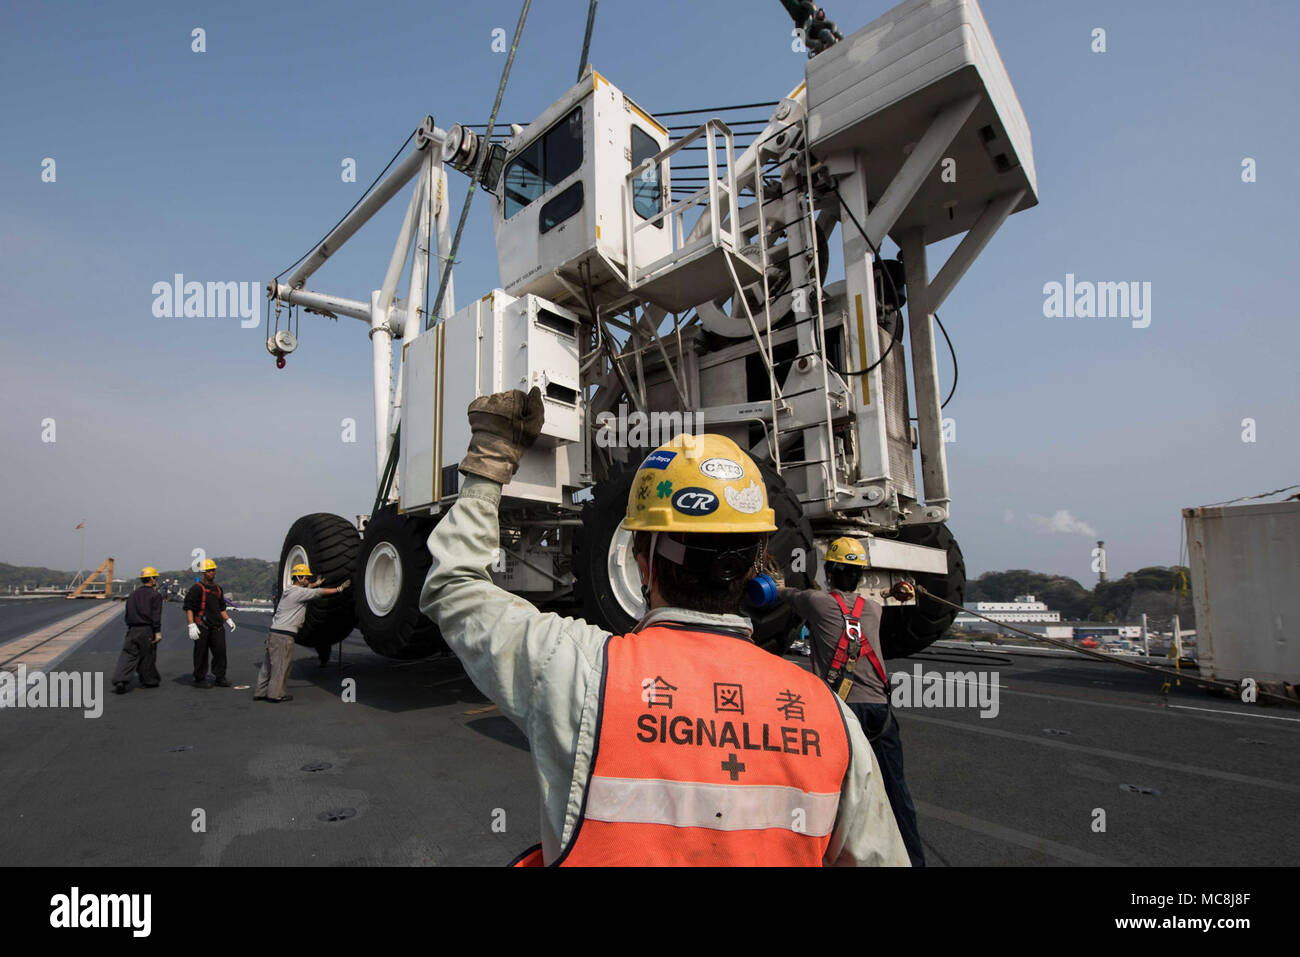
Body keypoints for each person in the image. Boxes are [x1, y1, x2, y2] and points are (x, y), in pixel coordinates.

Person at [419, 387, 909, 866]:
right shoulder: (832, 719)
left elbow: (455, 588)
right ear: (755, 563)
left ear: (641, 562)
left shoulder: (576, 668)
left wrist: (490, 460)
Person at [778, 537, 926, 866]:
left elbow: (780, 593)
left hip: (843, 712)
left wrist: (770, 581)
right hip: (880, 711)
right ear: (859, 576)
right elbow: (855, 610)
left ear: (829, 571)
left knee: (832, 793)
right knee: (896, 791)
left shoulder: (816, 603)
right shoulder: (873, 610)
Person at [255, 563, 350, 703]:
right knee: (281, 666)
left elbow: (307, 589)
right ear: (299, 577)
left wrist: (315, 583)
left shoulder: (289, 590)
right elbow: (319, 592)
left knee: (268, 665)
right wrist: (339, 589)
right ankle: (275, 695)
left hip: (274, 633)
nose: (307, 581)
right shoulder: (300, 593)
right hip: (284, 636)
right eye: (306, 578)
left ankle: (260, 692)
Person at [184, 559, 236, 688]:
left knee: (220, 653)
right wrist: (191, 625)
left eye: (214, 570)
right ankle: (199, 678)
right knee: (201, 654)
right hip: (202, 626)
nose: (213, 572)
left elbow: (221, 607)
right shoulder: (196, 589)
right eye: (210, 570)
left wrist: (228, 620)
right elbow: (189, 607)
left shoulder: (218, 589)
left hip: (217, 626)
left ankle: (220, 677)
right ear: (204, 572)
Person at [113, 566, 163, 694]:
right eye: (155, 578)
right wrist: (157, 632)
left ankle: (120, 680)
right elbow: (156, 615)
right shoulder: (155, 595)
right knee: (147, 656)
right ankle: (149, 681)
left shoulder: (133, 594)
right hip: (146, 629)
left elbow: (128, 613)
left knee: (128, 655)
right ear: (152, 579)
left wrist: (129, 628)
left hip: (133, 629)